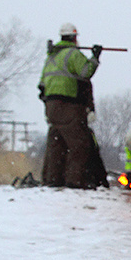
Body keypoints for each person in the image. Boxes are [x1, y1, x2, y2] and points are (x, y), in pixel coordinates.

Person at [38, 23, 105, 189]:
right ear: (75, 38)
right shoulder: (73, 54)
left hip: (51, 107)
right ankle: (74, 181)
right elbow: (86, 72)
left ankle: (52, 180)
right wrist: (95, 57)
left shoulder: (51, 57)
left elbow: (41, 84)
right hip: (68, 106)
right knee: (79, 145)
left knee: (56, 144)